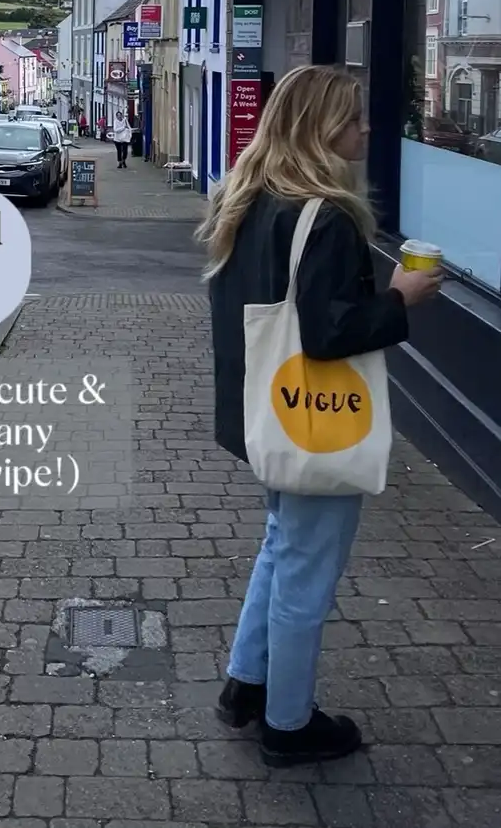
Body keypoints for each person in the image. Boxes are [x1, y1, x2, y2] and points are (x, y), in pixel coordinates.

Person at [196, 65, 443, 767]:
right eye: (356, 118)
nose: (367, 129)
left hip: (262, 415)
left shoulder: (247, 200)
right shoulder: (324, 217)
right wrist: (401, 299)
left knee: (282, 548)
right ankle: (288, 725)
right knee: (306, 573)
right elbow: (329, 333)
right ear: (320, 129)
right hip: (313, 422)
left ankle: (246, 686)